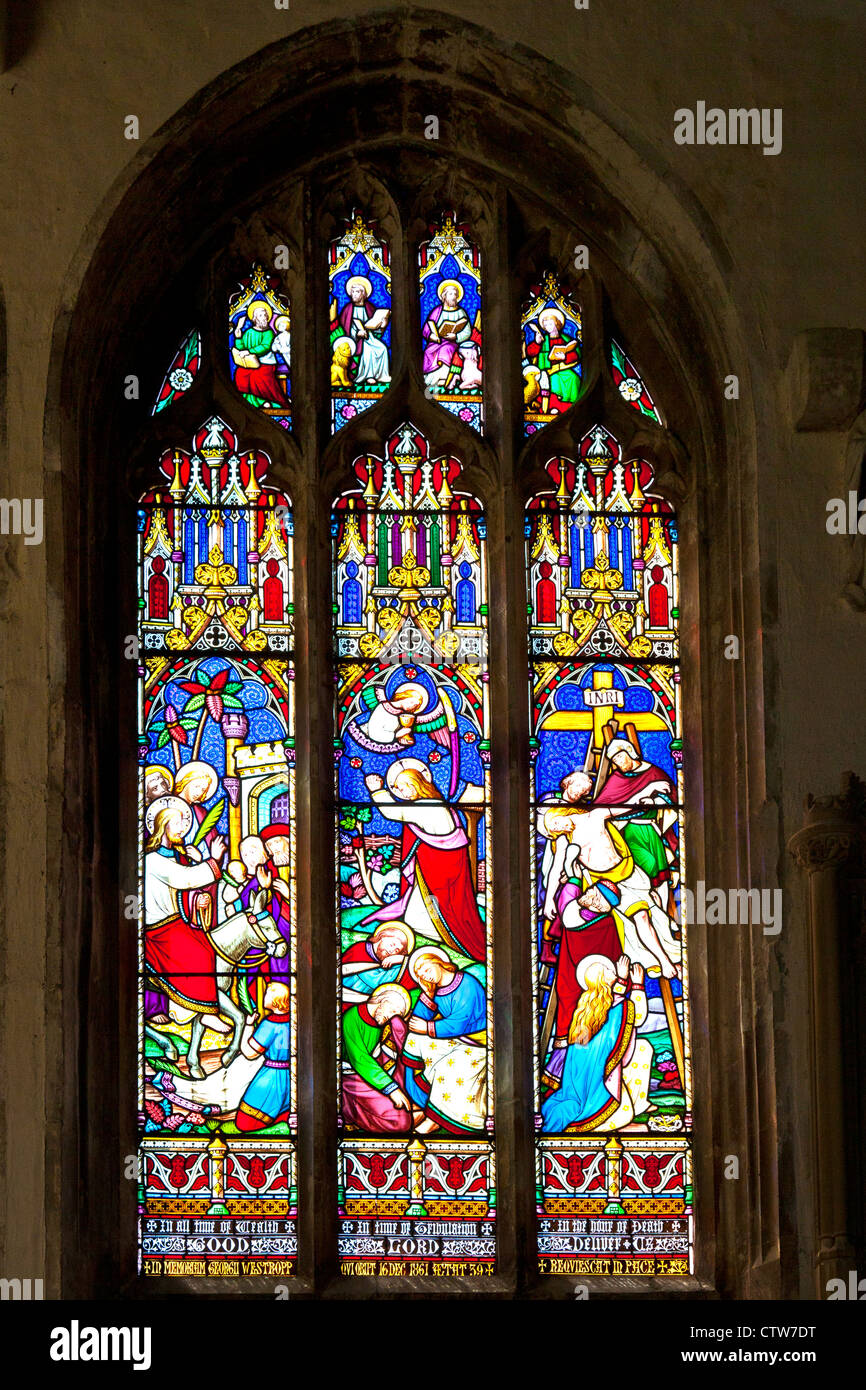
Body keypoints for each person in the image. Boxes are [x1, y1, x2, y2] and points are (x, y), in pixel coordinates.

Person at [364, 759, 486, 961]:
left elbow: (394, 811)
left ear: (417, 785)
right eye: (398, 789)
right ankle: (438, 937)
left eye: (404, 787)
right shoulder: (436, 805)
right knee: (416, 915)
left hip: (440, 874)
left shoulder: (428, 807)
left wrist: (377, 790)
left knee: (431, 916)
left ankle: (445, 939)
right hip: (434, 871)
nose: (401, 793)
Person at [541, 954, 655, 1133]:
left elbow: (615, 1011)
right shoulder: (606, 1007)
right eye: (607, 970)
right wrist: (638, 985)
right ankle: (605, 1124)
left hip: (594, 1077)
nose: (612, 969)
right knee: (624, 1114)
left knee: (642, 1047)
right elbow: (636, 1017)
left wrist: (622, 981)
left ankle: (638, 1105)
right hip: (598, 1088)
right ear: (601, 979)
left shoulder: (586, 1008)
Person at [143, 796, 225, 1018]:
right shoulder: (152, 860)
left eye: (183, 823)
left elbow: (184, 891)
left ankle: (204, 1011)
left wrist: (196, 900)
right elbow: (185, 879)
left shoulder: (178, 857)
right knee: (201, 952)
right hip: (157, 928)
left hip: (174, 922)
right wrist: (214, 860)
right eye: (177, 823)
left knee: (206, 944)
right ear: (163, 826)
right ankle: (206, 1012)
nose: (182, 828)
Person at [401, 947, 488, 1133]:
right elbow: (417, 1021)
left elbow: (459, 1023)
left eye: (426, 969)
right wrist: (427, 994)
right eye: (421, 975)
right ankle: (421, 1102)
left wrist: (428, 1027)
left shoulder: (467, 984)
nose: (426, 976)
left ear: (438, 962)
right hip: (456, 1039)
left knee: (446, 1067)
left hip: (479, 1043)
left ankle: (437, 1118)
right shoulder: (436, 990)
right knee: (415, 1040)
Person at [594, 737, 677, 909]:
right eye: (614, 760)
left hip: (653, 830)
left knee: (661, 872)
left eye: (619, 757)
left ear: (629, 752)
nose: (617, 763)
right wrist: (644, 795)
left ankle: (660, 912)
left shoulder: (654, 773)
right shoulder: (616, 778)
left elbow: (672, 799)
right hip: (630, 829)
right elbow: (602, 808)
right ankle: (645, 905)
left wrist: (654, 802)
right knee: (648, 865)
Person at [341, 984, 422, 1132]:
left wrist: (398, 1021)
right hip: (350, 1077)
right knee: (400, 1122)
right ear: (384, 1001)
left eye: (397, 1014)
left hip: (372, 1075)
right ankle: (349, 1110)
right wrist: (391, 1089)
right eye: (393, 1011)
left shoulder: (382, 1021)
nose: (391, 1017)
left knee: (406, 1111)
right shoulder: (352, 1018)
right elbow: (360, 1059)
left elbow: (401, 1044)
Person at [236, 981, 293, 1131]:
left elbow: (249, 1053)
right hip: (292, 1076)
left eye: (267, 993)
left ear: (276, 1000)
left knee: (244, 1123)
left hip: (271, 1078)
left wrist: (248, 1025)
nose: (263, 996)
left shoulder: (270, 1024)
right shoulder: (294, 1021)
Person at [331, 275, 390, 388]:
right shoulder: (347, 309)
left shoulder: (370, 307)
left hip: (369, 337)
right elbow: (344, 329)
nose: (353, 294)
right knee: (367, 350)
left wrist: (382, 325)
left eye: (357, 292)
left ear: (363, 294)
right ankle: (368, 375)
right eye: (352, 292)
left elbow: (376, 329)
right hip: (354, 340)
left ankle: (381, 375)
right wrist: (357, 334)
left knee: (382, 348)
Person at [341, 921, 415, 1010]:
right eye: (392, 944)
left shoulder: (393, 968)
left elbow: (416, 973)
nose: (391, 951)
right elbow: (338, 975)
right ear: (382, 936)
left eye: (397, 950)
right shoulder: (359, 950)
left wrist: (403, 959)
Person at [231, 299, 290, 407]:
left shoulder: (269, 333)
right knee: (239, 374)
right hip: (250, 364)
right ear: (255, 318)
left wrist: (248, 351)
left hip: (266, 363)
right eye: (261, 315)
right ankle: (257, 401)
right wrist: (238, 337)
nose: (264, 317)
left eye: (265, 315)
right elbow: (242, 347)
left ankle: (273, 402)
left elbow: (265, 347)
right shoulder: (249, 332)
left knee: (257, 377)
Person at [524, 307, 580, 414]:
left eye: (550, 324)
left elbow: (575, 355)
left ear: (557, 323)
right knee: (552, 381)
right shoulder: (543, 339)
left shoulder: (565, 339)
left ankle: (571, 408)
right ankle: (554, 407)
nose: (548, 327)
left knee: (573, 378)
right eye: (546, 325)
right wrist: (537, 342)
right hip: (547, 371)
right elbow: (530, 353)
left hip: (563, 369)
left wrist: (564, 357)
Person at [422, 280, 473, 391]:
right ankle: (433, 378)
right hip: (436, 341)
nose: (453, 297)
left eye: (455, 294)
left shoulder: (461, 312)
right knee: (428, 352)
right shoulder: (437, 311)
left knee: (446, 349)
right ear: (443, 296)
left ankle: (445, 378)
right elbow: (427, 327)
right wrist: (432, 336)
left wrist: (456, 336)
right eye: (450, 294)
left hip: (452, 343)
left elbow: (467, 331)